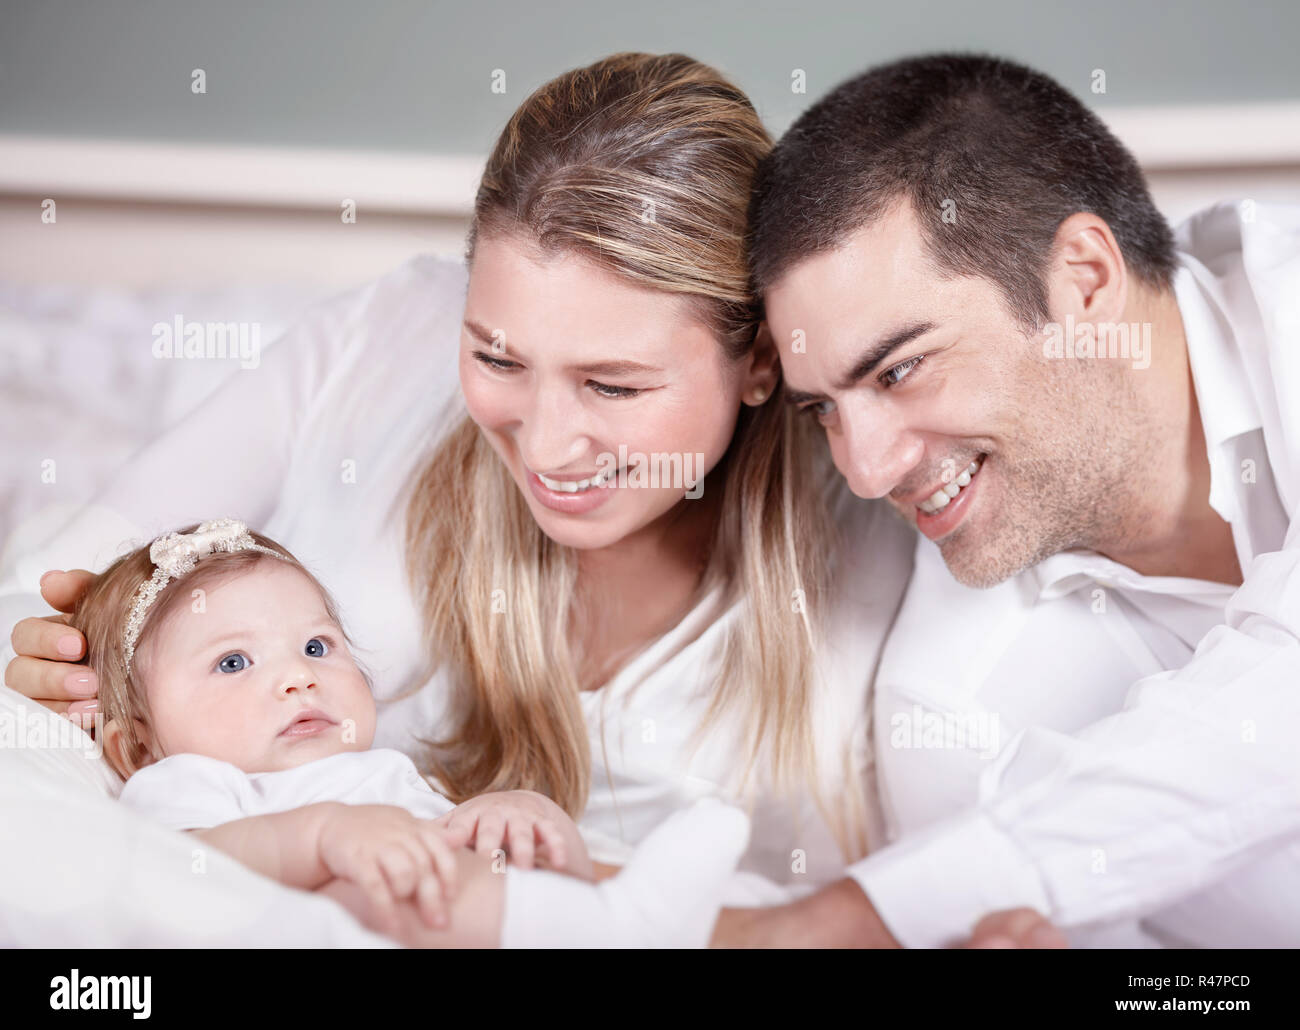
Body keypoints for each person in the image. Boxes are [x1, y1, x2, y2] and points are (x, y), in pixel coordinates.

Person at [1, 53, 915, 922]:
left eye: (614, 384)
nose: (549, 447)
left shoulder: (875, 513)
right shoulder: (389, 335)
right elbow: (47, 588)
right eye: (496, 355)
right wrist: (56, 657)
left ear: (758, 358)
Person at [715, 53, 1300, 948]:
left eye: (900, 368)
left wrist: (866, 914)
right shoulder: (953, 715)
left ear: (1085, 281)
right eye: (823, 409)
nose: (865, 471)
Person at [66, 515, 760, 948]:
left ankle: (610, 918)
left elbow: (471, 855)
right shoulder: (188, 779)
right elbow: (180, 874)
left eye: (315, 647)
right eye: (234, 661)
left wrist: (517, 816)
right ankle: (630, 930)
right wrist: (320, 836)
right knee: (375, 900)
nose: (299, 679)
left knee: (510, 854)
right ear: (139, 744)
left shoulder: (388, 775)